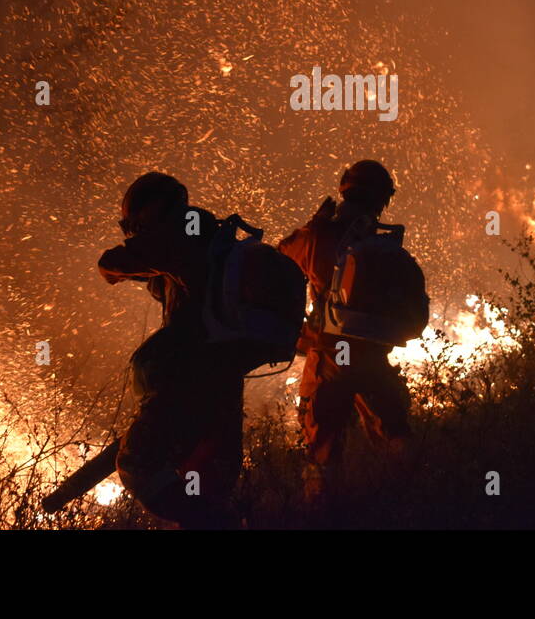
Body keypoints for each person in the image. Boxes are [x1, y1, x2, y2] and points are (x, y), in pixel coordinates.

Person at [97, 172, 245, 528]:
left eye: (134, 223)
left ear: (153, 211)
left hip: (189, 378)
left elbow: (113, 262)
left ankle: (218, 522)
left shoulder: (180, 231)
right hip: (222, 379)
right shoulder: (209, 237)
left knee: (138, 463)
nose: (133, 230)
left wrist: (123, 263)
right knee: (203, 482)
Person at [277, 160, 422, 504]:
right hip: (373, 355)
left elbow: (280, 257)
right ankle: (416, 503)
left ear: (344, 188)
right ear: (384, 199)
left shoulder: (319, 235)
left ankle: (322, 516)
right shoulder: (384, 243)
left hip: (328, 358)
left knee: (321, 451)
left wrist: (314, 223)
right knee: (397, 434)